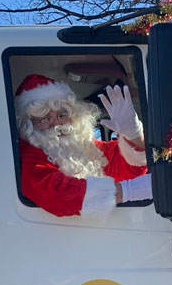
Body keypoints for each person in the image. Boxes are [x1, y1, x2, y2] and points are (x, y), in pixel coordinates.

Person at [14, 74, 153, 218]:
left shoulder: (81, 147)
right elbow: (56, 194)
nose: (56, 124)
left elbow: (120, 164)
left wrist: (134, 135)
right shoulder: (28, 156)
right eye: (45, 118)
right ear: (28, 124)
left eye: (62, 115)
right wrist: (129, 191)